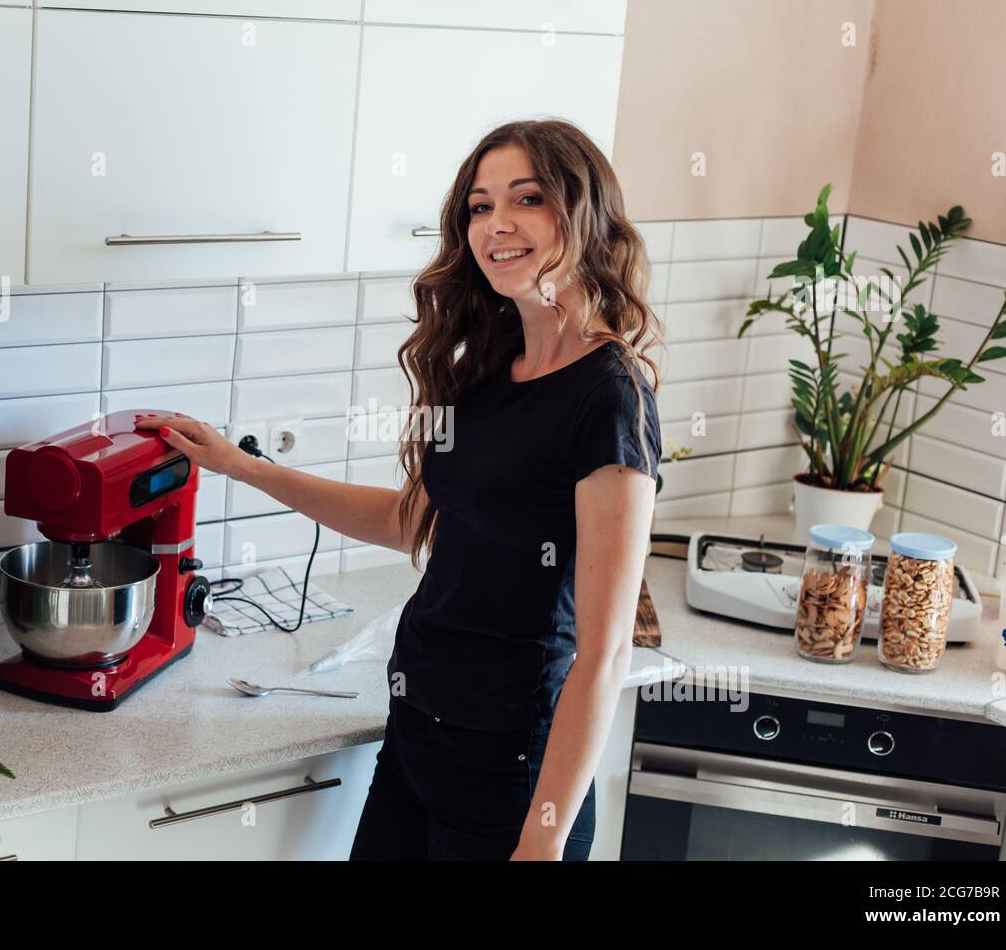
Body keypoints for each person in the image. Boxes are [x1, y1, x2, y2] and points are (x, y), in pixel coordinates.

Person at [136, 118, 662, 860]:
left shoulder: (609, 399)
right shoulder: (486, 365)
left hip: (513, 772)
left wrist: (541, 844)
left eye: (527, 200)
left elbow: (605, 656)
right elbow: (409, 518)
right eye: (479, 207)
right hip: (417, 739)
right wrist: (243, 467)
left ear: (582, 214)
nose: (497, 226)